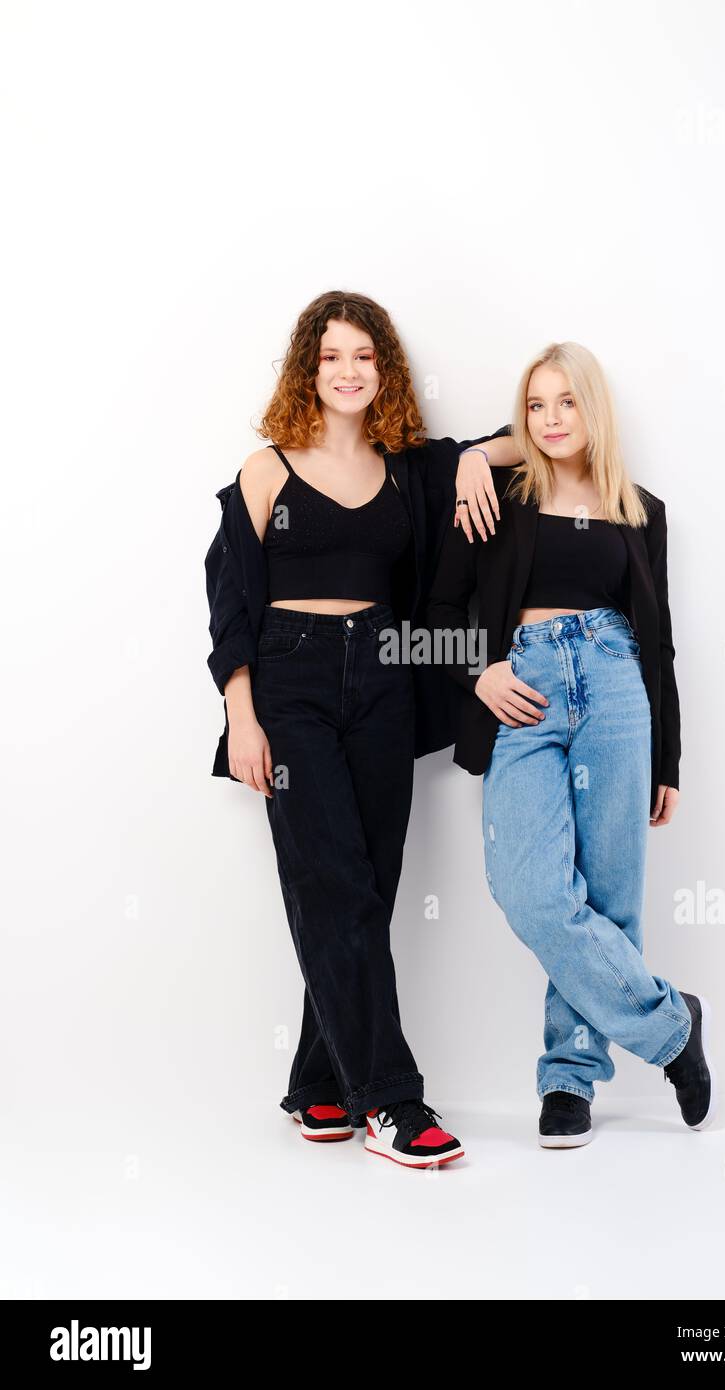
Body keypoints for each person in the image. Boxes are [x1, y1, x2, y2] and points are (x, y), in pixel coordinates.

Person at [204, 290, 518, 1169]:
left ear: (384, 371)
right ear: (309, 368)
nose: (347, 372)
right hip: (290, 680)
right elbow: (229, 603)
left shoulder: (408, 466)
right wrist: (243, 717)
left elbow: (517, 439)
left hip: (383, 676)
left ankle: (316, 1086)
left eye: (364, 357)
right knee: (331, 883)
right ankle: (391, 1100)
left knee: (365, 891)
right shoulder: (267, 471)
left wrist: (471, 462)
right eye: (330, 356)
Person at [427, 341, 717, 1148]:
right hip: (523, 693)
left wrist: (670, 762)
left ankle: (569, 1078)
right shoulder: (494, 500)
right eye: (536, 405)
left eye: (567, 403)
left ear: (594, 411)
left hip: (618, 686)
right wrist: (478, 677)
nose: (552, 420)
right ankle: (672, 1026)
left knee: (610, 893)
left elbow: (658, 645)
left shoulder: (641, 511)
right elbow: (435, 616)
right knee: (532, 889)